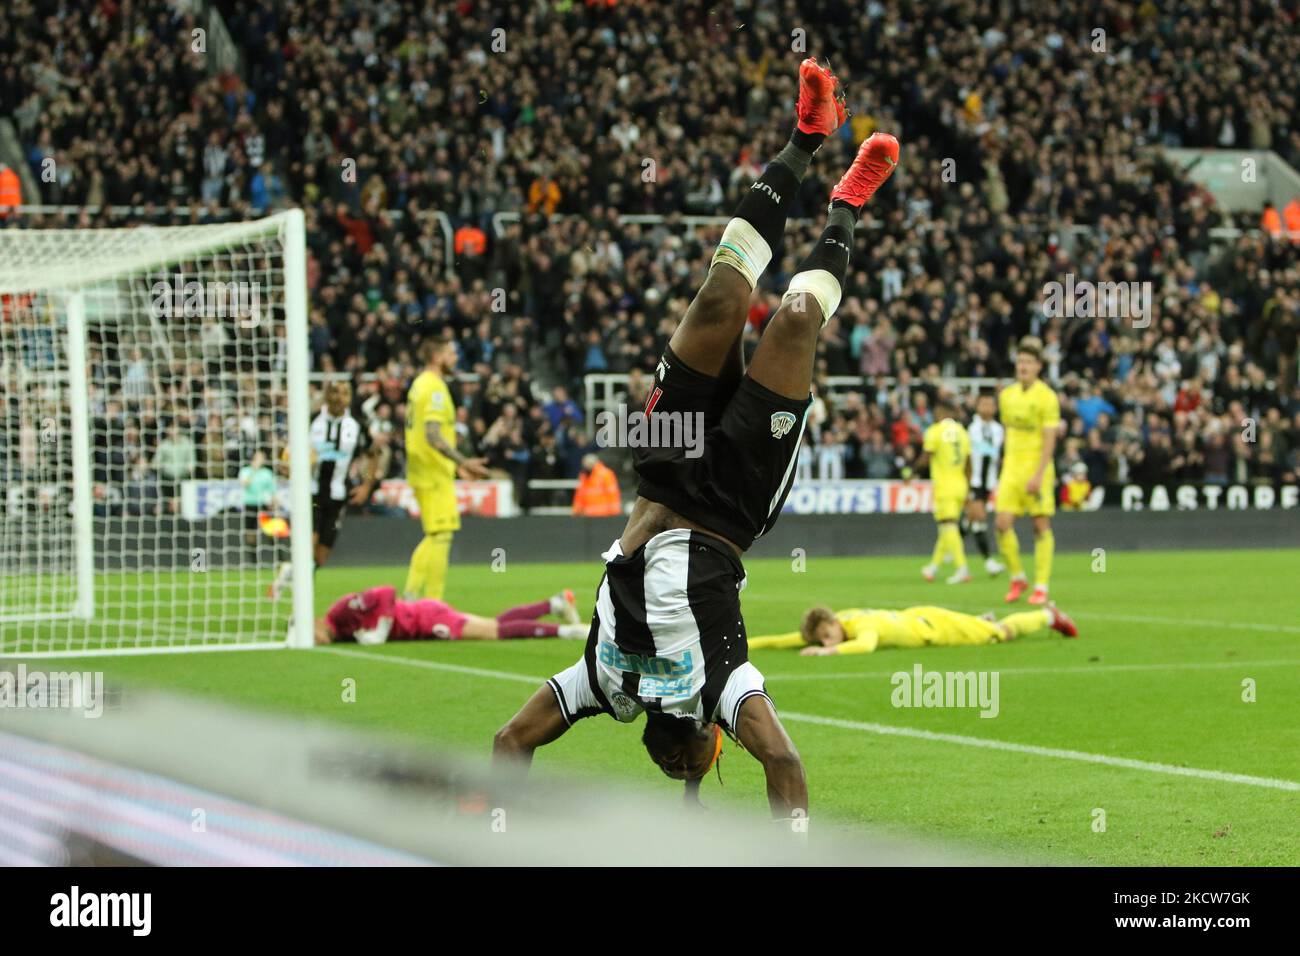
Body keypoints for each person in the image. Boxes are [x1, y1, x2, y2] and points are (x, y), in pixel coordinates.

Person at [492, 59, 898, 820]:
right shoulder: (721, 684)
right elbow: (783, 761)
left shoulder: (602, 681)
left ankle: (806, 138)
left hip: (663, 472)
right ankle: (846, 206)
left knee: (720, 294)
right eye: (696, 762)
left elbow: (510, 743)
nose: (692, 759)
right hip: (734, 502)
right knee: (799, 318)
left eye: (683, 764)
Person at [271, 380, 383, 598]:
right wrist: (291, 465)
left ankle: (292, 573)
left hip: (338, 497)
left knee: (320, 558)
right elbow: (288, 453)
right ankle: (302, 604)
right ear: (327, 396)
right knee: (308, 546)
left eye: (343, 394)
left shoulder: (357, 426)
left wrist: (365, 486)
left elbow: (373, 455)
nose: (339, 399)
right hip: (311, 494)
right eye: (335, 394)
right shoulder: (311, 421)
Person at [403, 333, 489, 600]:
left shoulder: (420, 384)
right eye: (451, 354)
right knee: (441, 534)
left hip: (425, 469)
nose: (455, 358)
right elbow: (432, 434)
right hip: (432, 472)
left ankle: (412, 597)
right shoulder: (434, 388)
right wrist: (463, 460)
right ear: (438, 357)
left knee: (436, 534)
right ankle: (430, 601)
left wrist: (457, 467)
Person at [750, 601, 1078, 656]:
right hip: (922, 617)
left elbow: (866, 646)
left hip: (937, 628)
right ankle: (982, 620)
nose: (825, 641)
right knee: (986, 626)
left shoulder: (862, 625)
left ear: (833, 623)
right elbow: (786, 640)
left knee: (1001, 635)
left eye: (825, 636)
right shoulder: (844, 620)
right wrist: (747, 644)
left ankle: (1047, 616)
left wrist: (831, 651)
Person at [995, 336, 1061, 604]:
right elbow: (1009, 434)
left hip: (1037, 468)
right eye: (1020, 361)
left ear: (1038, 367)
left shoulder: (1047, 397)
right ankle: (1018, 577)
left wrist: (1039, 474)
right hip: (1011, 469)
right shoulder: (1007, 396)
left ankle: (1042, 586)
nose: (1023, 366)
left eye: (1028, 362)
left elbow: (1049, 439)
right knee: (1001, 525)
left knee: (1040, 525)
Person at [314, 584, 586, 645]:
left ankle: (567, 632)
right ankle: (554, 604)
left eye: (312, 635)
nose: (313, 640)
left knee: (491, 633)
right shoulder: (339, 635)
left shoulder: (339, 612)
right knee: (493, 624)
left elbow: (386, 592)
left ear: (315, 623)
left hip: (426, 619)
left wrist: (383, 627)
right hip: (424, 619)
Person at [917, 398, 971, 584]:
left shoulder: (935, 431)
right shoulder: (963, 432)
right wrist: (968, 486)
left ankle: (962, 568)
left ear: (940, 413)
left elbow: (926, 457)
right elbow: (969, 463)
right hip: (960, 484)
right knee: (946, 528)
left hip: (944, 485)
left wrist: (912, 472)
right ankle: (933, 567)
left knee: (948, 525)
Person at [963, 390, 1006, 575]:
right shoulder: (970, 428)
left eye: (990, 404)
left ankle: (951, 546)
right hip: (974, 480)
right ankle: (989, 562)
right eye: (983, 404)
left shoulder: (999, 429)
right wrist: (965, 481)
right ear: (977, 406)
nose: (987, 407)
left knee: (970, 519)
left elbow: (999, 455)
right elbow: (966, 457)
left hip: (990, 481)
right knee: (980, 518)